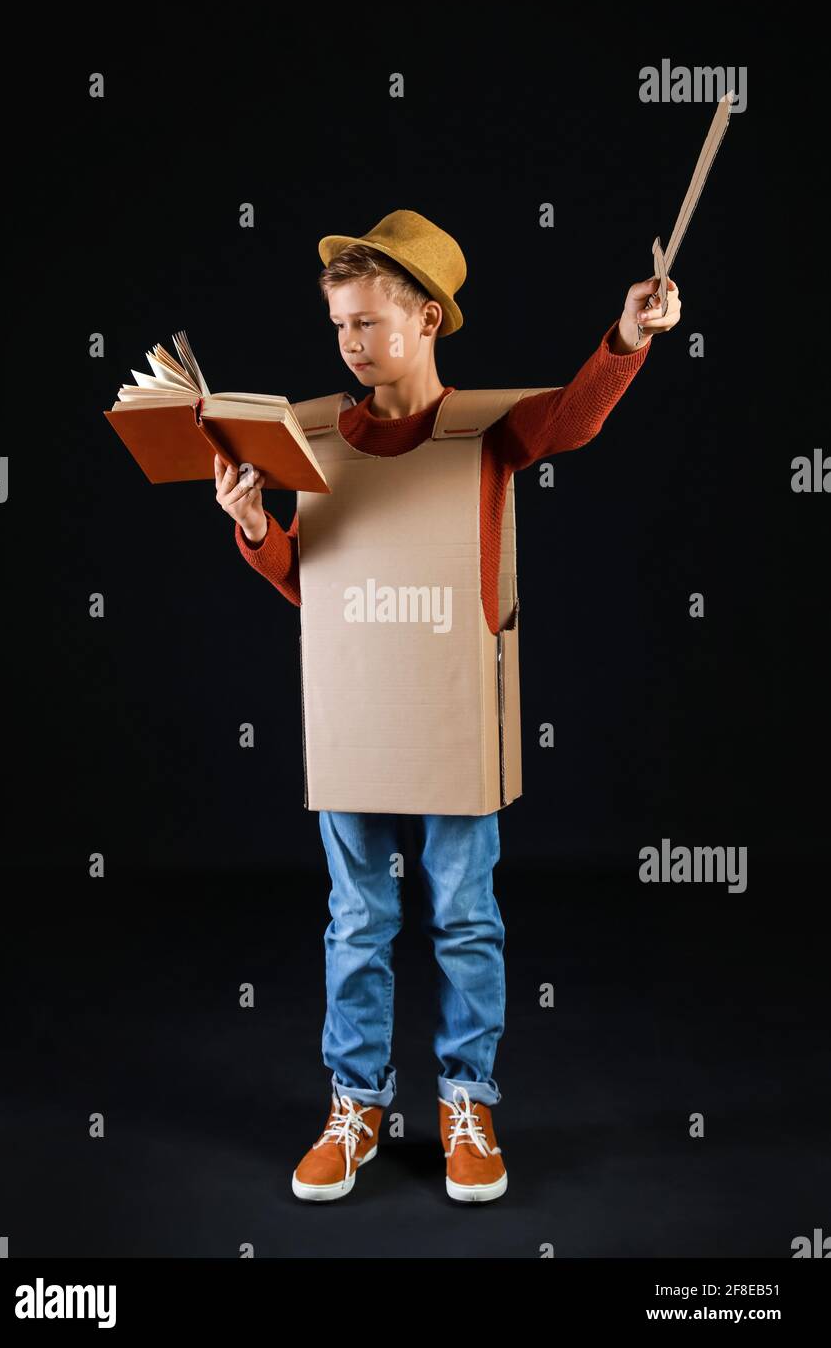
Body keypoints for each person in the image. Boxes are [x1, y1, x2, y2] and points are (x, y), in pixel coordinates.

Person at [213, 210, 681, 1203]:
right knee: (355, 917)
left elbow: (571, 419)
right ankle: (357, 1102)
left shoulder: (486, 429)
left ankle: (465, 1095)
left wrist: (625, 338)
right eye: (338, 324)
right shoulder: (308, 437)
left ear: (427, 320)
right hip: (356, 715)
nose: (349, 343)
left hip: (450, 717)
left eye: (368, 324)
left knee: (464, 915)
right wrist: (256, 525)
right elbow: (319, 590)